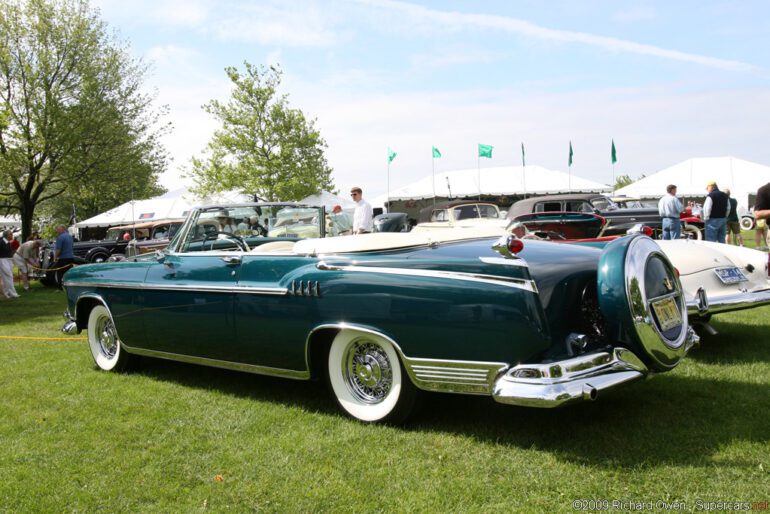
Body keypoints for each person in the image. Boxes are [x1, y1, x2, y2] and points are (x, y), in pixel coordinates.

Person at [53, 224, 75, 290]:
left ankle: (60, 288)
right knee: (69, 272)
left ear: (62, 229)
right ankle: (70, 286)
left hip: (63, 258)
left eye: (58, 229)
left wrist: (55, 257)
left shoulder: (60, 237)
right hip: (71, 257)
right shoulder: (70, 237)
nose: (57, 231)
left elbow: (58, 250)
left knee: (60, 273)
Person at [0, 229, 19, 299]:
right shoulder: (1, 242)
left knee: (6, 277)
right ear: (6, 235)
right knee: (9, 276)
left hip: (8, 260)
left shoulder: (8, 243)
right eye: (10, 234)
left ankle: (6, 293)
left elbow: (9, 252)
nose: (12, 235)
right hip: (3, 260)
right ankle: (13, 293)